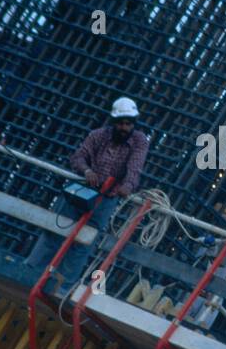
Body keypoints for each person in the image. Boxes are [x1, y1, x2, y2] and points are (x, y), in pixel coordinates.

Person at [28, 97, 149, 283]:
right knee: (55, 230)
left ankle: (63, 281)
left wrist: (128, 185)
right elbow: (78, 157)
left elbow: (135, 168)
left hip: (107, 198)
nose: (125, 128)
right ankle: (32, 270)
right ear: (113, 122)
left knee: (84, 241)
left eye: (128, 124)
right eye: (121, 123)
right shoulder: (98, 135)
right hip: (81, 189)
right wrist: (87, 171)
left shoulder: (139, 141)